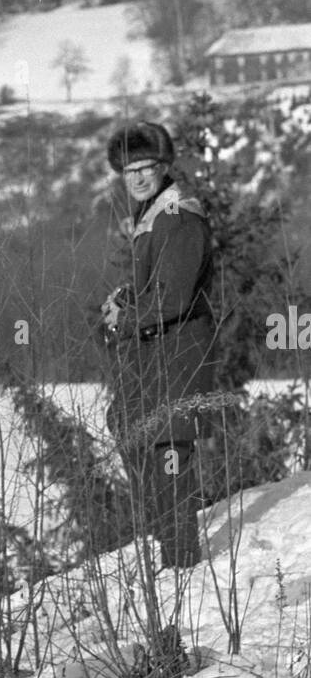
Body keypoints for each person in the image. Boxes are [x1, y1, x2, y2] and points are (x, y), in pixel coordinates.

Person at [99, 120, 217, 569]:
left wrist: (126, 317)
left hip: (180, 350)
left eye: (148, 167)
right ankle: (168, 541)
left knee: (169, 448)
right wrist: (126, 300)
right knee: (129, 425)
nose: (140, 178)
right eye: (131, 171)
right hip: (156, 353)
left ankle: (181, 557)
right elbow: (158, 286)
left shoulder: (178, 217)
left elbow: (176, 296)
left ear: (165, 166)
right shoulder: (152, 216)